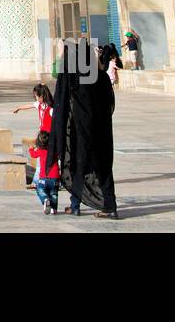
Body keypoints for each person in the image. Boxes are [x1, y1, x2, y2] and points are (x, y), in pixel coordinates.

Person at [50, 38, 118, 219]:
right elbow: (110, 105)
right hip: (100, 132)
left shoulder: (73, 77)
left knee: (78, 166)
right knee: (102, 167)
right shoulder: (100, 77)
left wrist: (60, 54)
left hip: (80, 132)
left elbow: (60, 97)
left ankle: (75, 205)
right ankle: (110, 206)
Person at [29, 129, 61, 215]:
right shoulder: (55, 151)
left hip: (44, 177)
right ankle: (53, 209)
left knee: (40, 189)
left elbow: (33, 155)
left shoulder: (40, 151)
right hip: (55, 178)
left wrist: (31, 149)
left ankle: (45, 199)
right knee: (54, 193)